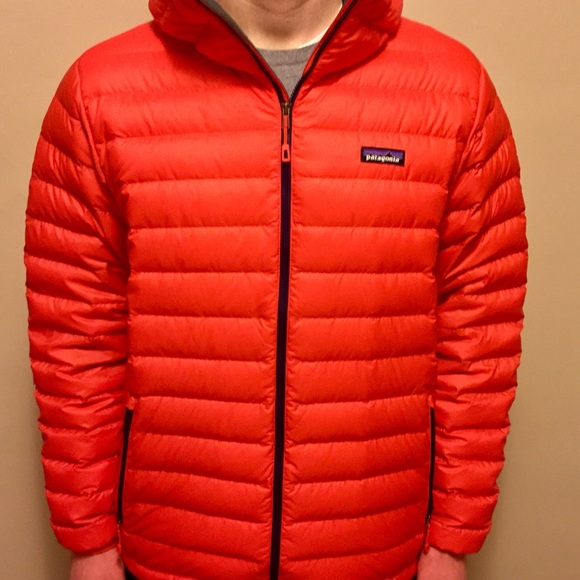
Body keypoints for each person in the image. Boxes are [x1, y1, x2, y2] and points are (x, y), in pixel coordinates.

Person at [24, 0, 527, 578]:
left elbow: (479, 336)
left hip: (378, 549)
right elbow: (76, 339)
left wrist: (452, 540)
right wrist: (88, 542)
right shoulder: (100, 95)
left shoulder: (453, 93)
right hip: (170, 550)